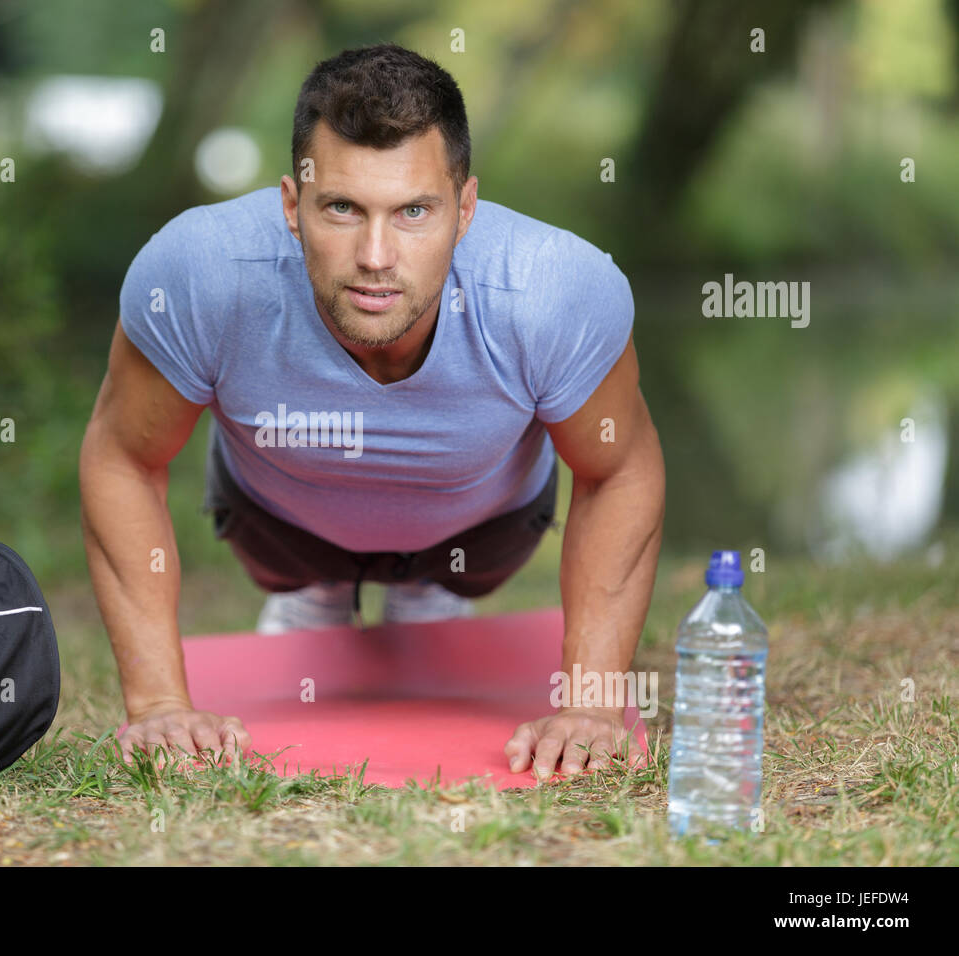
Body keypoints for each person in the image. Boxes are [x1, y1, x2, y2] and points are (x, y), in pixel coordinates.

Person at [79, 43, 665, 783]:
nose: (377, 256)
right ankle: (318, 594)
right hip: (282, 527)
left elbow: (620, 469)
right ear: (291, 206)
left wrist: (591, 705)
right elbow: (124, 457)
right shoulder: (197, 273)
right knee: (299, 568)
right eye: (343, 209)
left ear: (467, 209)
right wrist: (158, 701)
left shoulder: (555, 290)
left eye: (415, 211)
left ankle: (427, 590)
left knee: (451, 570)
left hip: (480, 532)